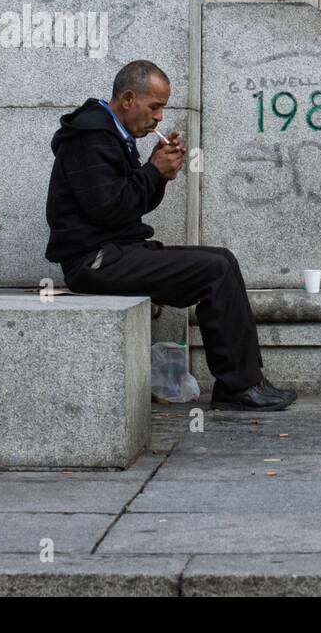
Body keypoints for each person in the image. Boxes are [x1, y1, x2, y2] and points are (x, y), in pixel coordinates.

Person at [44, 59, 296, 411]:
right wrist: (152, 171)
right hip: (96, 261)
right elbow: (108, 209)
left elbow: (131, 204)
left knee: (221, 260)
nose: (160, 117)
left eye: (161, 107)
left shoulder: (114, 134)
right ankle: (239, 386)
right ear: (128, 99)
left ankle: (244, 381)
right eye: (155, 106)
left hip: (116, 252)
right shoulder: (90, 137)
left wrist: (159, 173)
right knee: (215, 269)